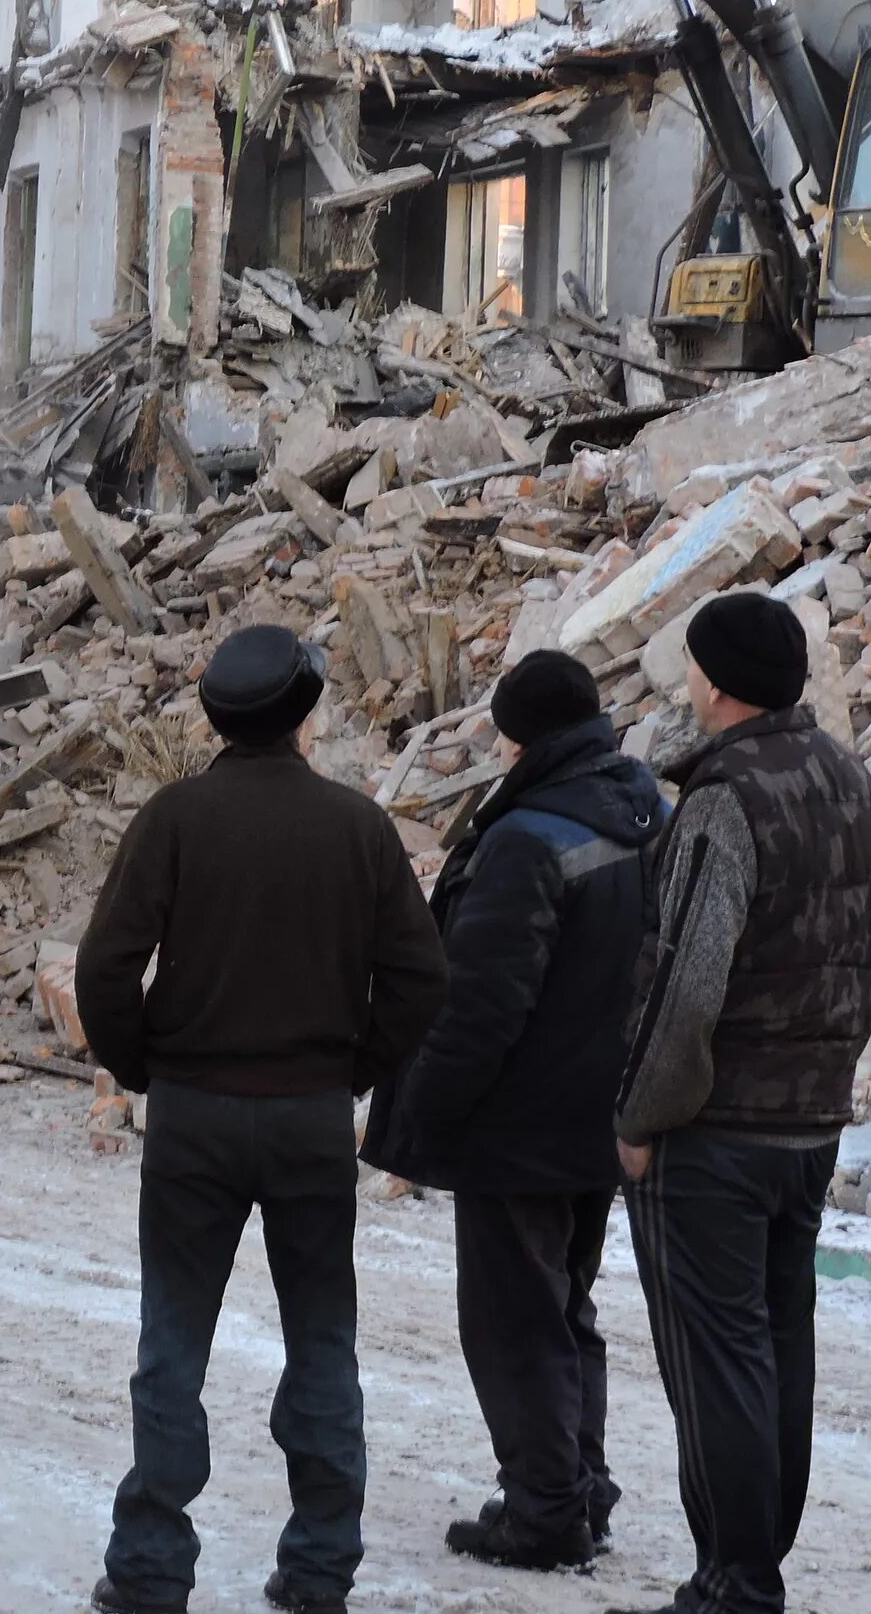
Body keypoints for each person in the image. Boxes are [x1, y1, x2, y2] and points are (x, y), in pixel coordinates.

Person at [75, 624, 449, 1614]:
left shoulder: (175, 818)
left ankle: (151, 1570)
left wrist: (143, 1063)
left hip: (194, 1117)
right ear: (307, 715)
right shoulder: (358, 828)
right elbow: (421, 977)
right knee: (322, 1342)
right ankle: (321, 1563)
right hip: (310, 1119)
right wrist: (354, 1067)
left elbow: (104, 967)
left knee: (172, 1346)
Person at [613, 593, 871, 1614]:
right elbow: (858, 959)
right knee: (782, 1338)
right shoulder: (849, 778)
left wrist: (639, 1120)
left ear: (717, 684)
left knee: (718, 1351)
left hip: (718, 1127)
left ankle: (736, 1576)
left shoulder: (725, 799)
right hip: (810, 1116)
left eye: (693, 666)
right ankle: (755, 1554)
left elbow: (685, 983)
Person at [364, 648, 663, 1574]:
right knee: (566, 1308)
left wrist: (429, 1118)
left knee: (514, 1321)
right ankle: (579, 1489)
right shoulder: (642, 808)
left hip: (518, 1128)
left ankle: (543, 1512)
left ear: (518, 734)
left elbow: (483, 1004)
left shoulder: (529, 836)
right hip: (600, 1117)